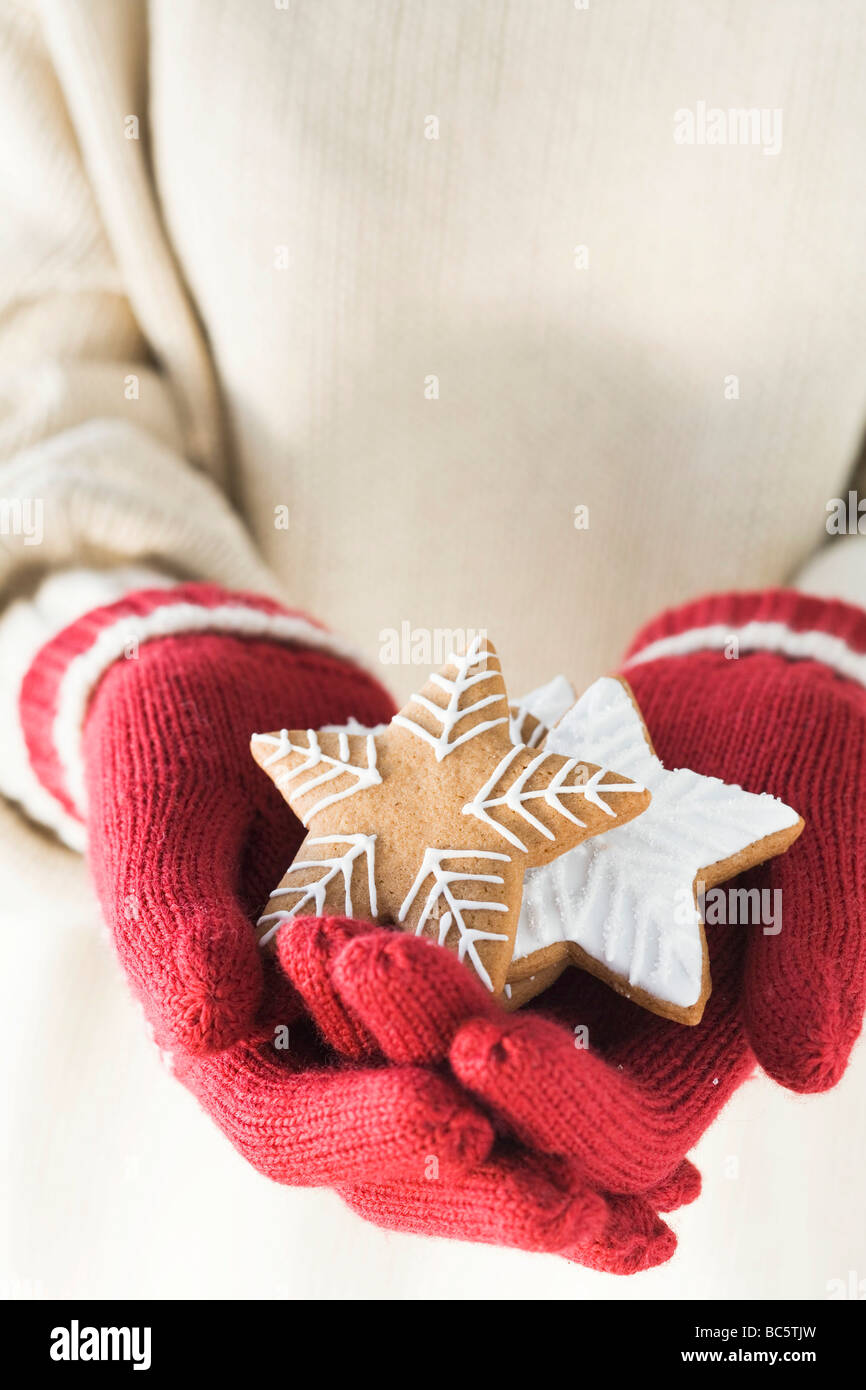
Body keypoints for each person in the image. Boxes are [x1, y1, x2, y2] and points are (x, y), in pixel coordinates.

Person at [2, 0, 864, 1295]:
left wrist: (839, 650)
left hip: (799, 1163)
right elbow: (31, 338)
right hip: (147, 1160)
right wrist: (124, 642)